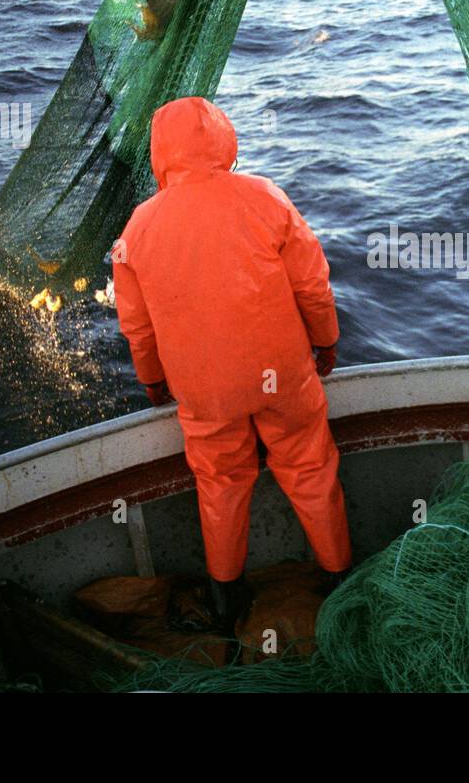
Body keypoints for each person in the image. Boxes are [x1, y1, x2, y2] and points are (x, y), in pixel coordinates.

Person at [112, 96, 352, 633]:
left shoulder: (137, 228)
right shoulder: (264, 197)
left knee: (220, 483)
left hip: (206, 392)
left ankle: (225, 601)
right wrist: (326, 341)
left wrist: (152, 380)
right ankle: (340, 580)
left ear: (159, 156)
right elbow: (312, 286)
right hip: (284, 376)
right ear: (225, 143)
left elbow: (138, 327)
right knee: (311, 469)